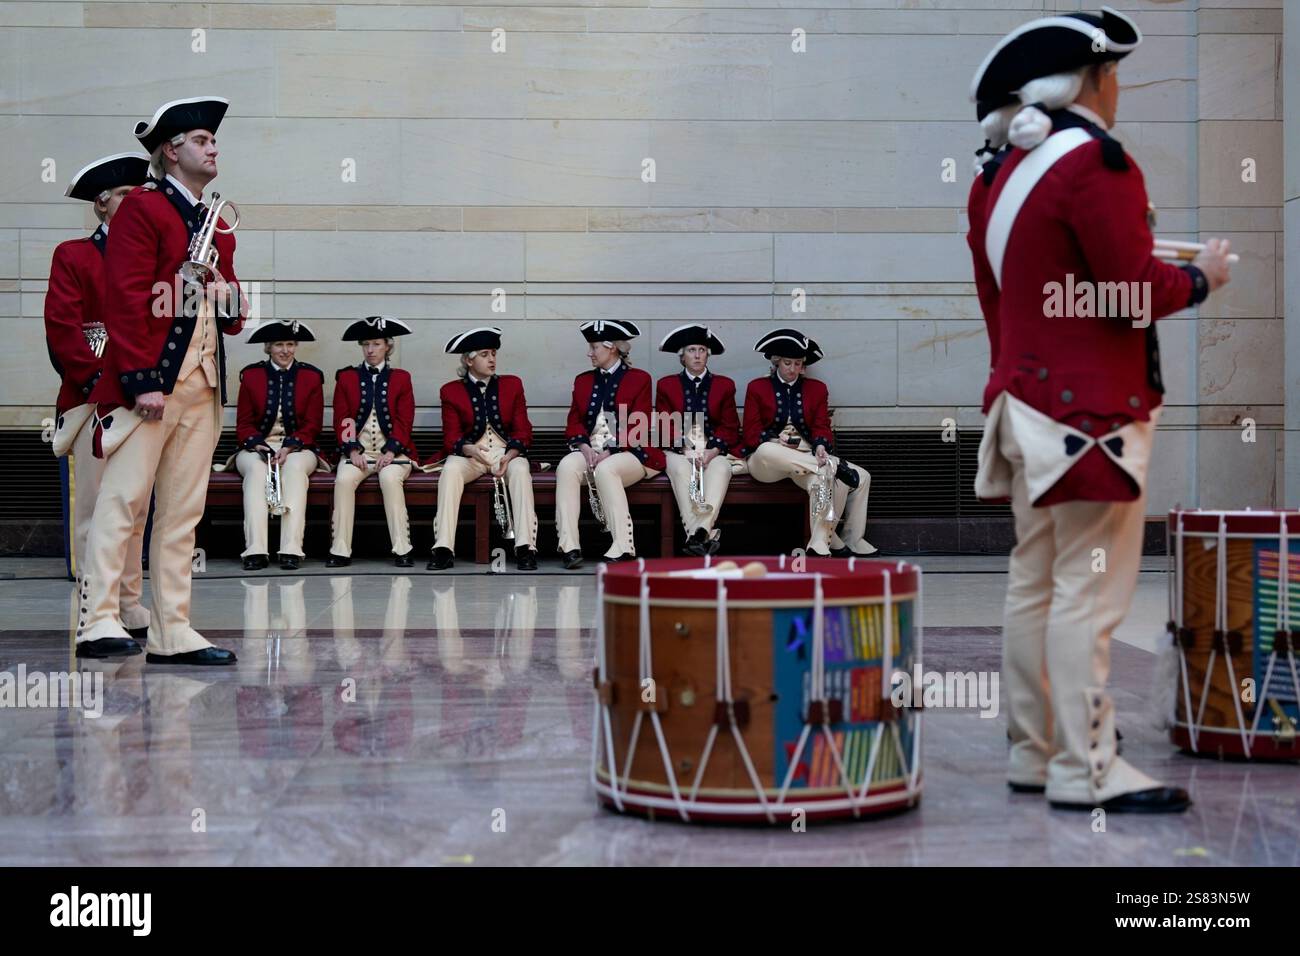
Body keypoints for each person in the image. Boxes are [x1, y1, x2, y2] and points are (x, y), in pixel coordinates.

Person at [968, 8, 1233, 812]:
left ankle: (1036, 751)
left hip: (1022, 401)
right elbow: (1129, 293)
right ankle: (1085, 768)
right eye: (1114, 74)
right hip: (1090, 417)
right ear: (1091, 79)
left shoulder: (996, 175)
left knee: (1036, 582)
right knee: (1089, 590)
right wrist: (1204, 278)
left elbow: (1006, 297)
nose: (1120, 89)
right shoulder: (1099, 164)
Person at [78, 95, 245, 665]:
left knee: (181, 512)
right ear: (171, 152)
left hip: (204, 384)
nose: (213, 146)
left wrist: (228, 297)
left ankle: (173, 628)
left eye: (214, 140)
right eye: (202, 140)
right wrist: (141, 377)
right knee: (123, 501)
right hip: (151, 383)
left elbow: (235, 310)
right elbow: (123, 296)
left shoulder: (216, 219)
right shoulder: (143, 209)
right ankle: (98, 618)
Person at [46, 151, 153, 650]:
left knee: (135, 510)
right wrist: (101, 383)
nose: (139, 204)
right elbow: (64, 332)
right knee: (94, 509)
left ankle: (129, 603)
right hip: (94, 398)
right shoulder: (74, 254)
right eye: (129, 197)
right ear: (102, 205)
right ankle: (98, 607)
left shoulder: (155, 257)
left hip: (143, 398)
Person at [741, 329, 876, 557]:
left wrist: (821, 445)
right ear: (776, 363)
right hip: (768, 462)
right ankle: (830, 468)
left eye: (797, 363)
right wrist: (776, 438)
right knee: (766, 450)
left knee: (859, 477)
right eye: (787, 363)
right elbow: (751, 433)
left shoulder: (817, 389)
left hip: (806, 458)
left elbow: (821, 426)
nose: (792, 369)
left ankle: (829, 541)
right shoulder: (757, 387)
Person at [555, 320, 664, 567]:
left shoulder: (640, 379)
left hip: (633, 452)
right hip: (591, 449)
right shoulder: (583, 381)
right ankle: (569, 545)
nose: (589, 353)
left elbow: (640, 424)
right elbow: (574, 422)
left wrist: (610, 450)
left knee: (607, 469)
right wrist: (583, 446)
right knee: (566, 467)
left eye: (594, 347)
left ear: (611, 348)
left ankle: (624, 546)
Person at [430, 327, 538, 571]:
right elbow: (451, 437)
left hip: (506, 453)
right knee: (450, 470)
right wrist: (470, 450)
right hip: (472, 455)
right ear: (469, 360)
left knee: (520, 470)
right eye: (484, 354)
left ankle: (525, 547)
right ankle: (443, 548)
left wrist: (510, 456)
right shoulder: (451, 391)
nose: (491, 359)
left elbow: (523, 431)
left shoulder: (513, 385)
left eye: (493, 354)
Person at [230, 319, 325, 572]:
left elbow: (313, 424)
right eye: (279, 345)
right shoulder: (251, 376)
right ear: (268, 348)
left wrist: (291, 445)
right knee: (257, 472)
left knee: (294, 470)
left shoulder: (311, 376)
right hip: (256, 448)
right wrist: (259, 446)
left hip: (299, 448)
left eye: (291, 344)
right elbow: (244, 424)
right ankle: (256, 550)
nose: (286, 350)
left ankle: (291, 549)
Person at [326, 316, 418, 568]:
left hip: (394, 455)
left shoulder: (401, 378)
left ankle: (402, 549)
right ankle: (340, 550)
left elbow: (404, 420)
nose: (370, 350)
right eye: (366, 344)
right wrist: (352, 449)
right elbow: (342, 418)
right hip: (358, 453)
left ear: (387, 346)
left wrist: (391, 451)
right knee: (343, 480)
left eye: (376, 344)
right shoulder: (346, 378)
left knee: (390, 479)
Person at [653, 324, 739, 556]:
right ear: (682, 357)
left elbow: (730, 427)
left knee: (721, 469)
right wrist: (683, 445)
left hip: (713, 451)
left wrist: (712, 451)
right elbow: (663, 425)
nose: (698, 355)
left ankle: (696, 535)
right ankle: (702, 534)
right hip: (678, 451)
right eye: (692, 350)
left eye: (702, 349)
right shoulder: (666, 385)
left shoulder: (724, 385)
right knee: (681, 470)